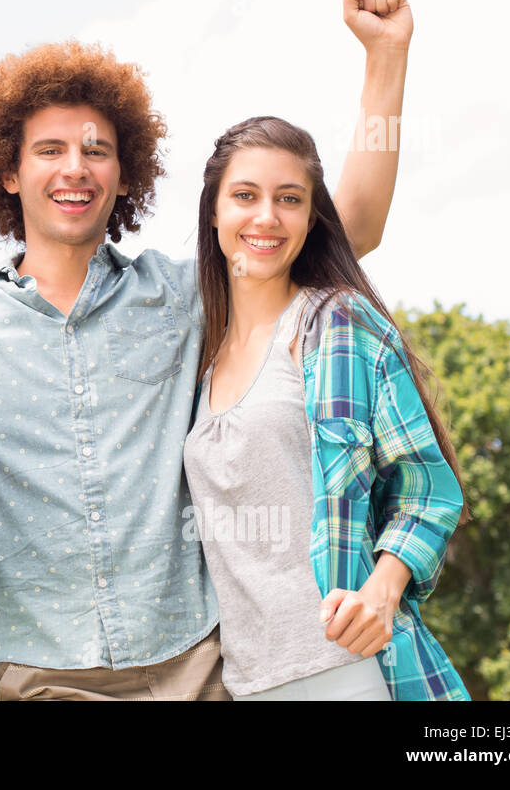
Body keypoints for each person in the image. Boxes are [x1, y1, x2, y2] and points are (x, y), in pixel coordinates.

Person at [0, 0, 414, 699]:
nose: (75, 167)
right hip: (41, 669)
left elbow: (352, 227)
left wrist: (385, 58)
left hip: (197, 662)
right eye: (49, 150)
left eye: (96, 150)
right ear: (8, 172)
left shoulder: (186, 297)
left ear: (124, 173)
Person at [183, 114, 467, 700]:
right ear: (213, 210)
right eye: (245, 195)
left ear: (312, 219)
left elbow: (427, 485)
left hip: (348, 667)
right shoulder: (197, 359)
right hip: (246, 682)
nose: (266, 217)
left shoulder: (333, 324)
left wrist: (383, 590)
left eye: (289, 199)